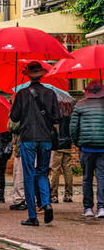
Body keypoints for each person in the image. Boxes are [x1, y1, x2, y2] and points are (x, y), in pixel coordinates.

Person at [9, 61, 60, 226]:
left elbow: (14, 117)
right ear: (41, 75)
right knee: (42, 173)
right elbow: (56, 118)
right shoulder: (51, 93)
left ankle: (33, 216)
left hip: (28, 138)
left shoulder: (21, 94)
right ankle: (46, 202)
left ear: (29, 75)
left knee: (29, 176)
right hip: (45, 138)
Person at [70, 80, 104, 218]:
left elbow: (73, 128)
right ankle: (102, 207)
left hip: (86, 147)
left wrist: (77, 142)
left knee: (87, 178)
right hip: (103, 148)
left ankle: (88, 207)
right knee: (102, 177)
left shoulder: (80, 105)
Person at [50, 100, 74, 203]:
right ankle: (68, 195)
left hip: (57, 145)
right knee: (67, 170)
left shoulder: (55, 113)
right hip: (67, 144)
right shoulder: (70, 111)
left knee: (55, 170)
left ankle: (54, 195)